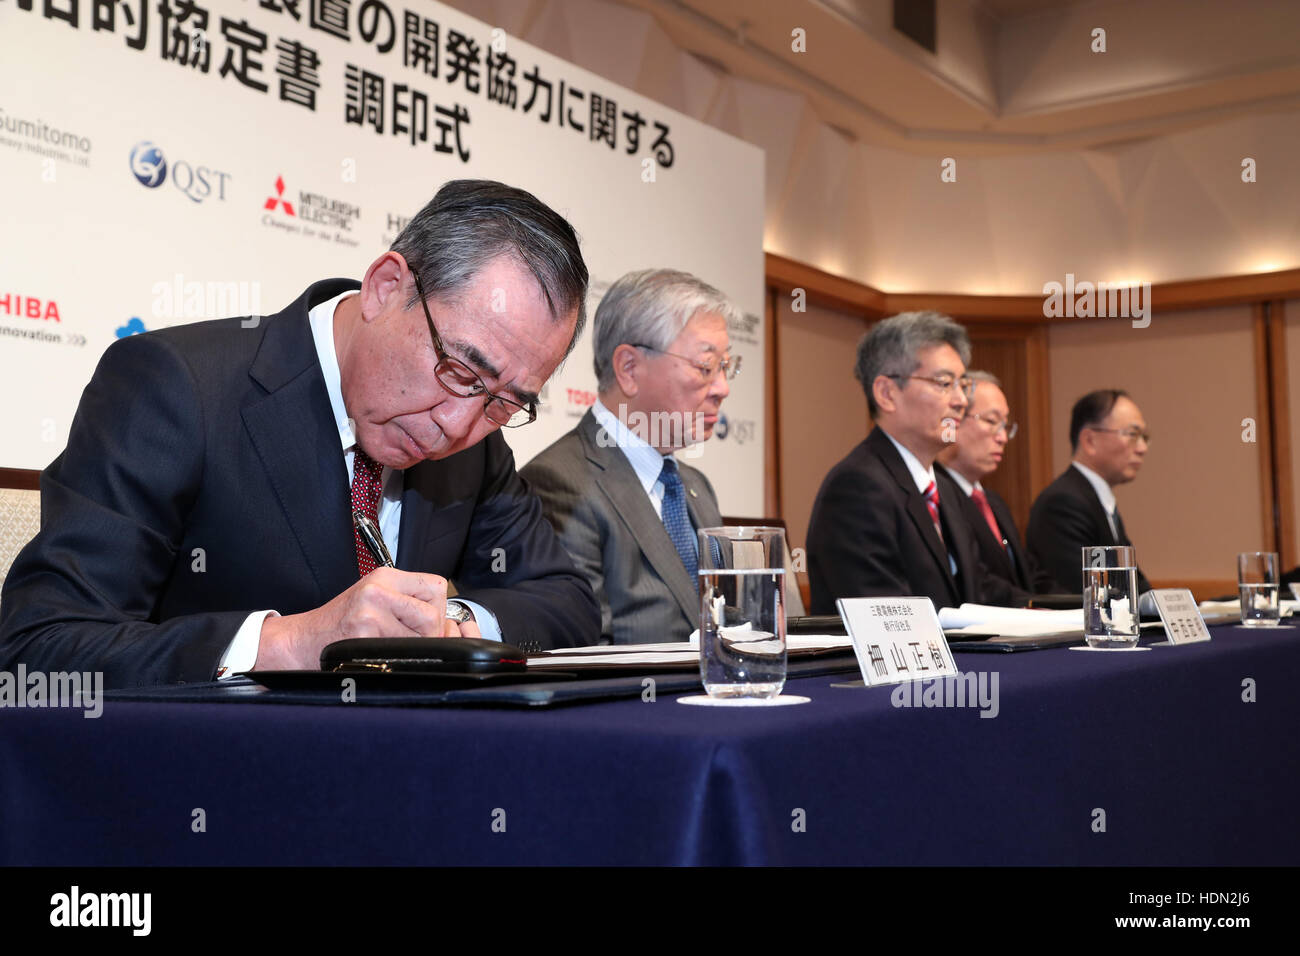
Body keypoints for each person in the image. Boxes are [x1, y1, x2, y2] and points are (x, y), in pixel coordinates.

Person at [0, 179, 600, 688]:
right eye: (461, 370)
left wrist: (454, 623)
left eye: (505, 403)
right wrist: (288, 644)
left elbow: (566, 603)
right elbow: (40, 647)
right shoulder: (178, 386)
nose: (458, 425)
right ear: (387, 288)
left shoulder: (475, 438)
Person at [521, 269, 737, 643]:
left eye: (725, 366)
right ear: (629, 369)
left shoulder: (695, 486)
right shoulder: (559, 484)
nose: (723, 388)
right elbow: (586, 651)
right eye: (705, 367)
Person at [806, 312, 1020, 614]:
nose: (960, 400)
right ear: (887, 393)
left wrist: (1057, 616)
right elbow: (884, 615)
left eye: (963, 384)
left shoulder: (944, 489)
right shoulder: (857, 487)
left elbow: (981, 590)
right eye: (944, 383)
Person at [936, 371, 1055, 598]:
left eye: (1005, 425)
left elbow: (1029, 576)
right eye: (991, 421)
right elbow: (978, 583)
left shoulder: (993, 502)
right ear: (954, 419)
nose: (1002, 437)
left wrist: (1082, 603)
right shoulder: (935, 496)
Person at [1026, 389, 1153, 593]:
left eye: (1144, 437)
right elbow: (1085, 591)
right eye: (1132, 434)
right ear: (1089, 441)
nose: (1142, 448)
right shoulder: (1063, 502)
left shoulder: (1097, 499)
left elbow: (1135, 585)